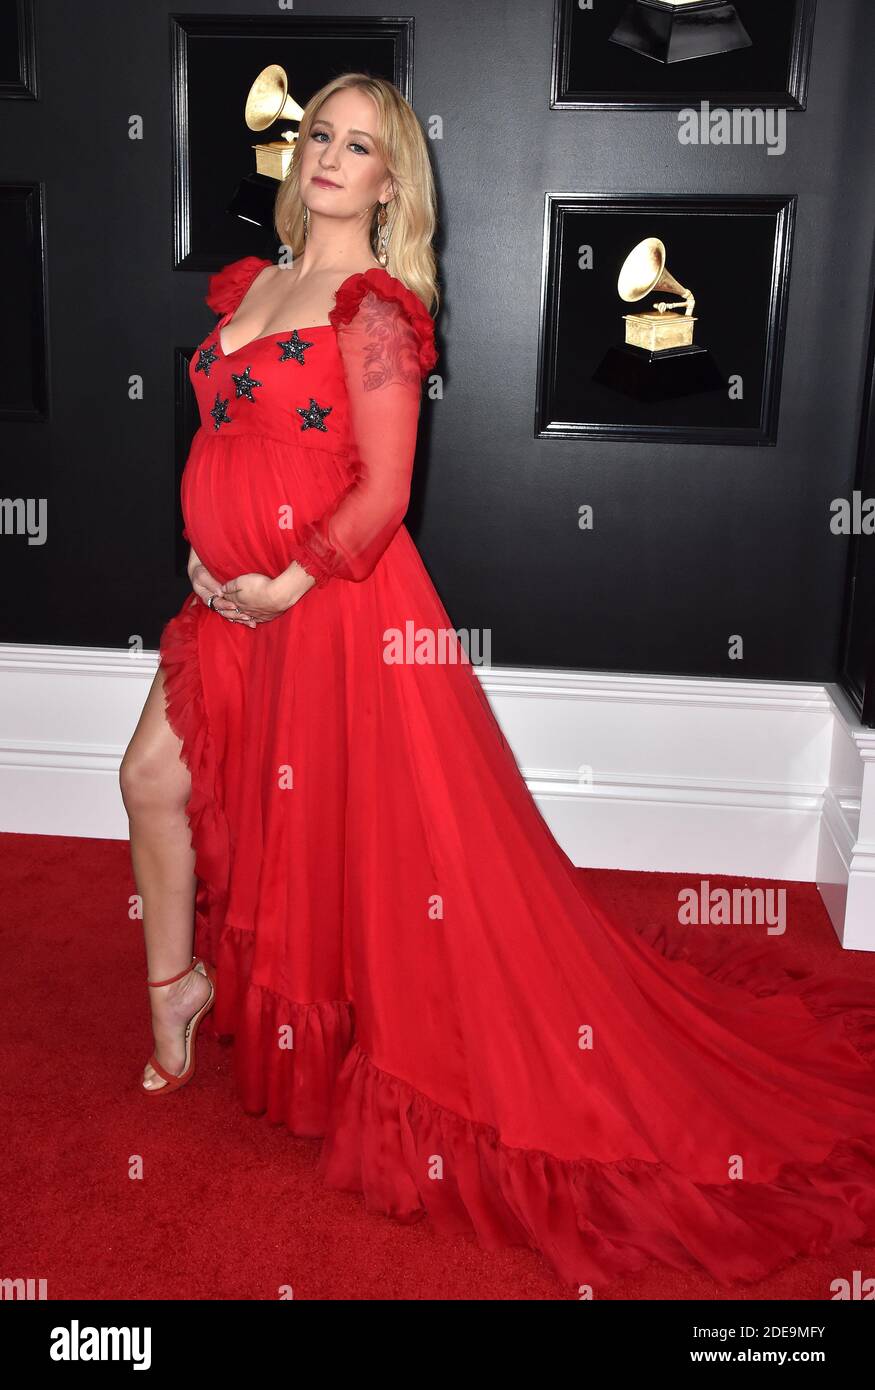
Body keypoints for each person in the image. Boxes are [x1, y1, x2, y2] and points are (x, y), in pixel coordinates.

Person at [119, 73, 875, 1292]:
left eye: (359, 145)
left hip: (326, 611)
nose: (328, 155)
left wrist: (282, 582)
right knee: (151, 777)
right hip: (226, 603)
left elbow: (380, 493)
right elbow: (222, 438)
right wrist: (208, 555)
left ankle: (213, 1001)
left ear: (387, 180)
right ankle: (178, 986)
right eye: (317, 133)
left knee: (352, 846)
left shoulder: (375, 311)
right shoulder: (252, 285)